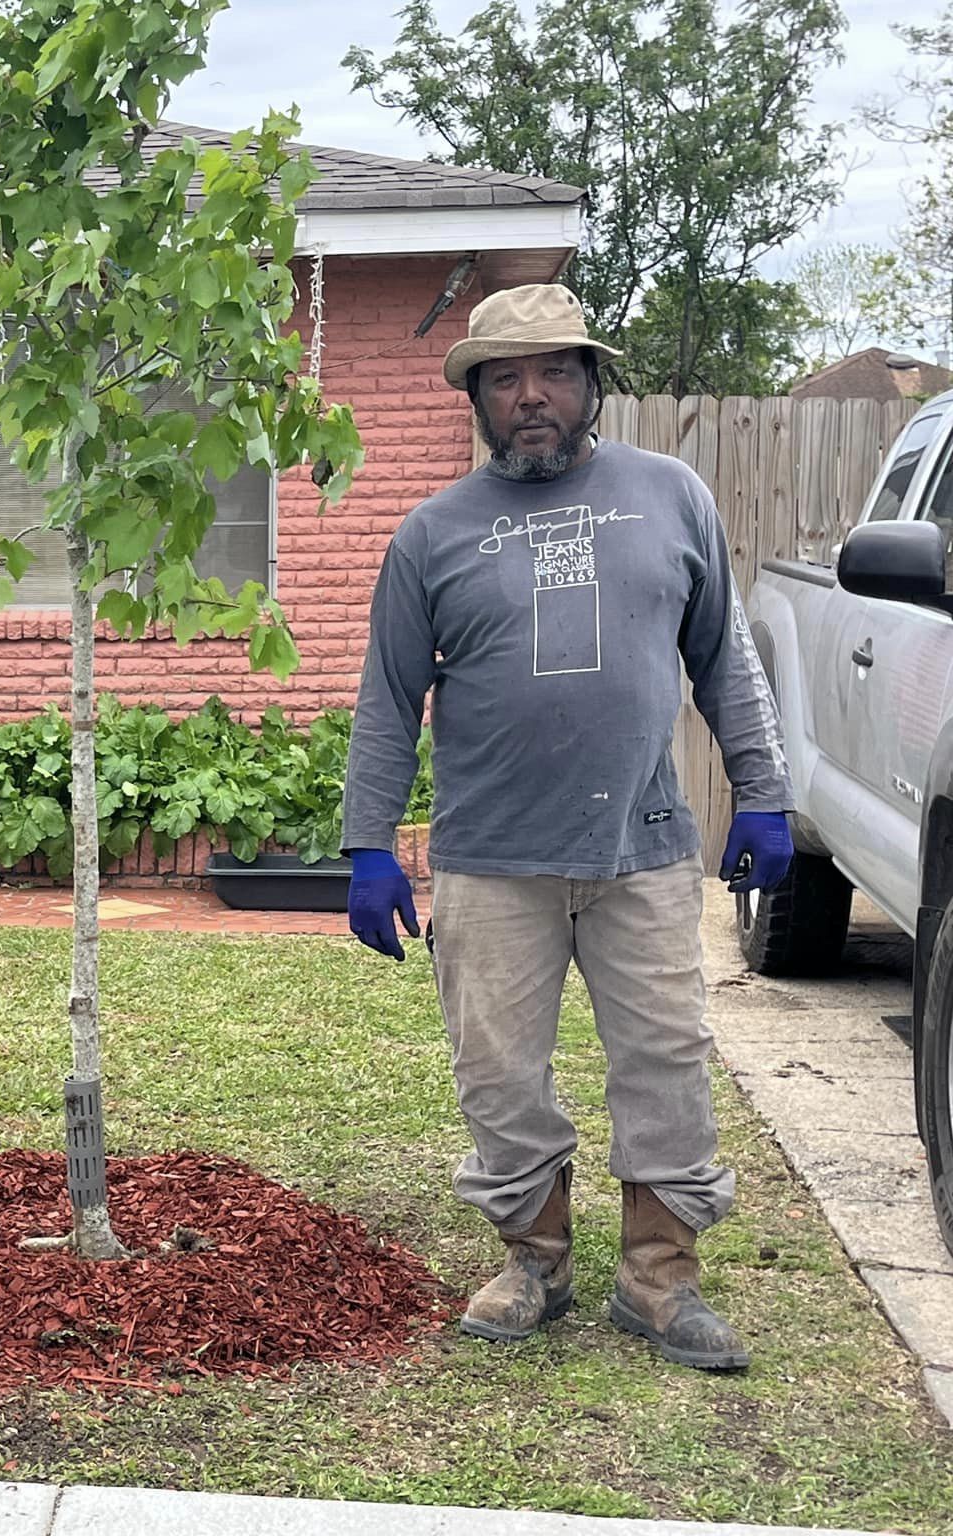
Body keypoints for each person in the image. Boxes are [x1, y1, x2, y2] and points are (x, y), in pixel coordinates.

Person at [338, 283, 795, 1372]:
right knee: (496, 1072)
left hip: (639, 846)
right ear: (478, 399)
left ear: (592, 384)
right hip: (491, 859)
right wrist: (364, 845)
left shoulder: (669, 496)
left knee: (665, 1060)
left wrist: (763, 793)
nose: (529, 396)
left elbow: (723, 659)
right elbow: (387, 698)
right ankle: (532, 1261)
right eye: (504, 378)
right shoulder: (430, 535)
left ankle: (656, 1280)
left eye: (552, 372)